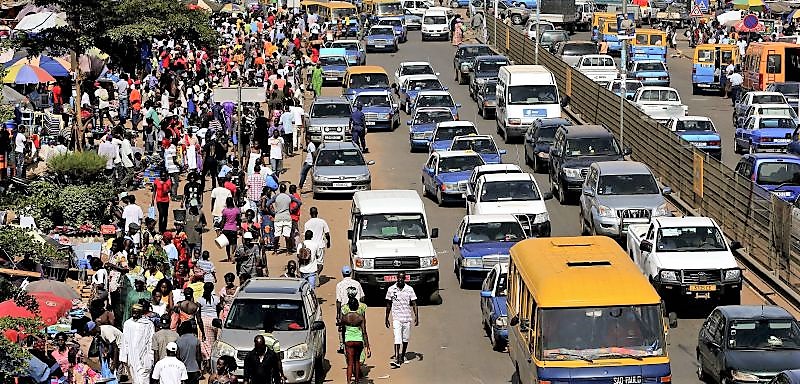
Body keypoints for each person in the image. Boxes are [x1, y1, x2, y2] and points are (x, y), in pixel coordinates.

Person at [385, 271, 419, 368]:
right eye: (398, 278)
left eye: (402, 278)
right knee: (397, 338)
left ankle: (402, 355)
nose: (400, 280)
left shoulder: (409, 289)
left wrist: (417, 316)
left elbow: (414, 303)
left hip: (407, 318)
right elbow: (388, 304)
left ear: (405, 279)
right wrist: (386, 317)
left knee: (405, 339)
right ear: (396, 278)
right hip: (396, 318)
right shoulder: (391, 289)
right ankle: (396, 358)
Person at [119, 304, 154, 384]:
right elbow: (125, 341)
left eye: (137, 312)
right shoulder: (128, 324)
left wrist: (150, 357)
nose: (134, 314)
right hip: (132, 357)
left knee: (143, 380)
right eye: (133, 312)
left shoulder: (148, 324)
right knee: (135, 380)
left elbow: (150, 341)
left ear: (141, 312)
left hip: (144, 358)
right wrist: (123, 357)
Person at [265, 184, 302, 254]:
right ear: (285, 189)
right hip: (287, 217)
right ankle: (288, 251)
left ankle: (275, 251)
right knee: (287, 235)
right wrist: (293, 209)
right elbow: (299, 202)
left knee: (277, 235)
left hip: (278, 217)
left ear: (279, 189)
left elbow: (267, 204)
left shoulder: (276, 197)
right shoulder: (289, 196)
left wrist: (272, 212)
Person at [336, 266, 365, 353]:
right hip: (357, 309)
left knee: (343, 328)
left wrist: (338, 314)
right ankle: (360, 342)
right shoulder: (357, 284)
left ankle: (343, 345)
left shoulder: (339, 285)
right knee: (359, 327)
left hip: (345, 310)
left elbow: (338, 301)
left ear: (342, 274)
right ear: (351, 273)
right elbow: (362, 297)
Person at [342, 297, 370, 384]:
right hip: (358, 340)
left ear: (349, 306)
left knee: (350, 363)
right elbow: (364, 332)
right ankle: (357, 381)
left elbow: (343, 330)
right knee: (357, 361)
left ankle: (349, 381)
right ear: (357, 306)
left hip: (348, 341)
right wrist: (367, 346)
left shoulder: (345, 317)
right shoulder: (360, 317)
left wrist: (344, 342)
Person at [197, 282, 219, 363]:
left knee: (205, 343)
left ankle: (208, 360)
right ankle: (213, 359)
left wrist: (202, 331)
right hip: (214, 322)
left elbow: (198, 317)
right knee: (213, 343)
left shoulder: (200, 300)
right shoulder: (216, 299)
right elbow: (219, 309)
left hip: (204, 323)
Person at [304, 207, 330, 274]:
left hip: (310, 246)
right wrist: (328, 242)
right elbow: (327, 234)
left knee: (311, 262)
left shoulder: (307, 223)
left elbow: (306, 236)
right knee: (320, 263)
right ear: (317, 213)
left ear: (310, 214)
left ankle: (312, 276)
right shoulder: (322, 222)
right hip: (320, 245)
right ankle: (316, 276)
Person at [220, 197, 241, 262]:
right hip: (233, 229)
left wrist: (221, 228)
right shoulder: (236, 210)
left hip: (226, 229)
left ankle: (228, 257)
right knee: (234, 243)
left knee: (227, 244)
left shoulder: (225, 211)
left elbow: (223, 221)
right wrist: (239, 226)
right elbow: (238, 220)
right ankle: (232, 253)